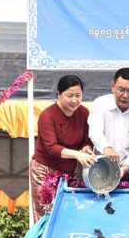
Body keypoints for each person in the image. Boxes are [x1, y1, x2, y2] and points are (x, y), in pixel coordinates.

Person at [29, 74, 97, 220]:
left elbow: (87, 139)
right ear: (59, 95)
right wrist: (78, 155)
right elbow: (51, 148)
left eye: (78, 95)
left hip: (68, 171)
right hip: (44, 170)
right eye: (69, 95)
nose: (74, 100)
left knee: (66, 213)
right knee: (46, 214)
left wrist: (86, 149)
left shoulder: (84, 112)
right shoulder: (47, 115)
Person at [88, 68, 129, 182]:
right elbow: (95, 132)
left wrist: (126, 168)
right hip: (101, 166)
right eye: (121, 90)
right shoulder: (100, 104)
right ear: (113, 86)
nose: (125, 95)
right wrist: (106, 148)